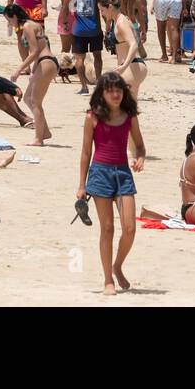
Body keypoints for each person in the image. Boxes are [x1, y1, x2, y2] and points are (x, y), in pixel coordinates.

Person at [76, 72, 145, 295]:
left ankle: (117, 265)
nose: (115, 94)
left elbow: (141, 146)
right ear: (102, 93)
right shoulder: (92, 117)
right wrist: (81, 185)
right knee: (107, 228)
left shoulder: (129, 115)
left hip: (123, 173)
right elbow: (86, 152)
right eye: (110, 90)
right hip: (100, 174)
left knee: (130, 228)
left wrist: (141, 158)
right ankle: (108, 279)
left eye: (118, 90)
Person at [6, 5, 59, 145]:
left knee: (35, 102)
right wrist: (34, 70)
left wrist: (19, 69)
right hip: (44, 63)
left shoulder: (28, 26)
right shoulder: (34, 24)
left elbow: (34, 51)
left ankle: (38, 139)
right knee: (28, 98)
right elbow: (41, 48)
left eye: (9, 20)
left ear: (15, 17)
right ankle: (45, 132)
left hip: (46, 62)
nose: (10, 23)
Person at [100, 0, 147, 98]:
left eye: (102, 10)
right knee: (129, 107)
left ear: (110, 7)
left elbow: (134, 44)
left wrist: (124, 66)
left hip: (131, 66)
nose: (101, 13)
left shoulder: (121, 22)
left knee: (119, 104)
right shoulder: (118, 20)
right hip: (132, 66)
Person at [70, 0, 105, 94]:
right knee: (97, 56)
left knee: (79, 59)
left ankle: (84, 86)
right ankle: (98, 85)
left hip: (78, 29)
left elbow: (68, 7)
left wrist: (67, 23)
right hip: (94, 28)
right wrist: (108, 25)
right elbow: (103, 9)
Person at [54, 0, 78, 78]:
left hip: (78, 17)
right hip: (66, 17)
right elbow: (65, 5)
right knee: (66, 46)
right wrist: (64, 22)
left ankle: (74, 68)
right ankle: (63, 69)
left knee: (76, 45)